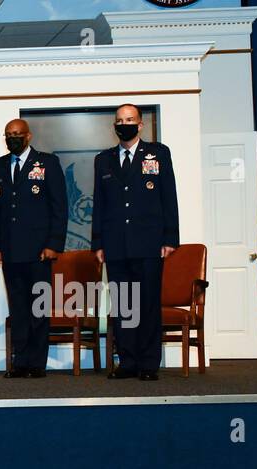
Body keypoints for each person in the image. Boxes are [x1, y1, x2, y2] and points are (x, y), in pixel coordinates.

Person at [91, 103, 180, 381]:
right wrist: (98, 243)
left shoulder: (158, 153)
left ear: (140, 124)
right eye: (119, 120)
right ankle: (127, 361)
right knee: (124, 305)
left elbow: (169, 197)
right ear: (114, 126)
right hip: (116, 246)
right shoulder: (103, 160)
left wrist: (170, 237)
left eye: (129, 119)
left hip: (149, 243)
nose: (123, 124)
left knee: (148, 304)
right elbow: (100, 205)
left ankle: (149, 363)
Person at [0, 118, 68, 378]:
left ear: (29, 136)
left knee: (38, 309)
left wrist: (54, 244)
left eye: (18, 134)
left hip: (40, 252)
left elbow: (60, 207)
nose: (13, 138)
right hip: (10, 251)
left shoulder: (48, 163)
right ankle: (20, 363)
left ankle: (36, 363)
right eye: (9, 134)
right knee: (18, 309)